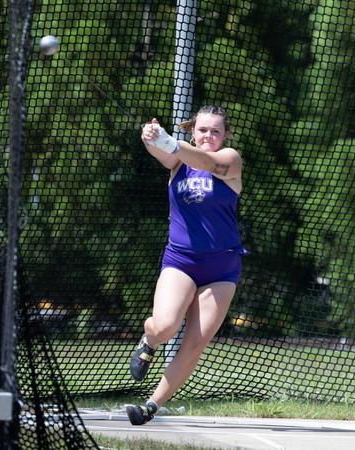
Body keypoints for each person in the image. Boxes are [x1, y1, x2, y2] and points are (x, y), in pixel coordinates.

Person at [126, 105, 245, 425]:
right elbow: (161, 152)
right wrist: (151, 137)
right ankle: (149, 341)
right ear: (193, 130)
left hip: (221, 268)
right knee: (164, 327)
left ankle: (151, 405)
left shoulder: (230, 160)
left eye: (215, 131)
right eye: (203, 130)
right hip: (181, 261)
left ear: (225, 135)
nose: (208, 136)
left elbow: (207, 163)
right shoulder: (177, 161)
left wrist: (170, 142)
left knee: (196, 340)